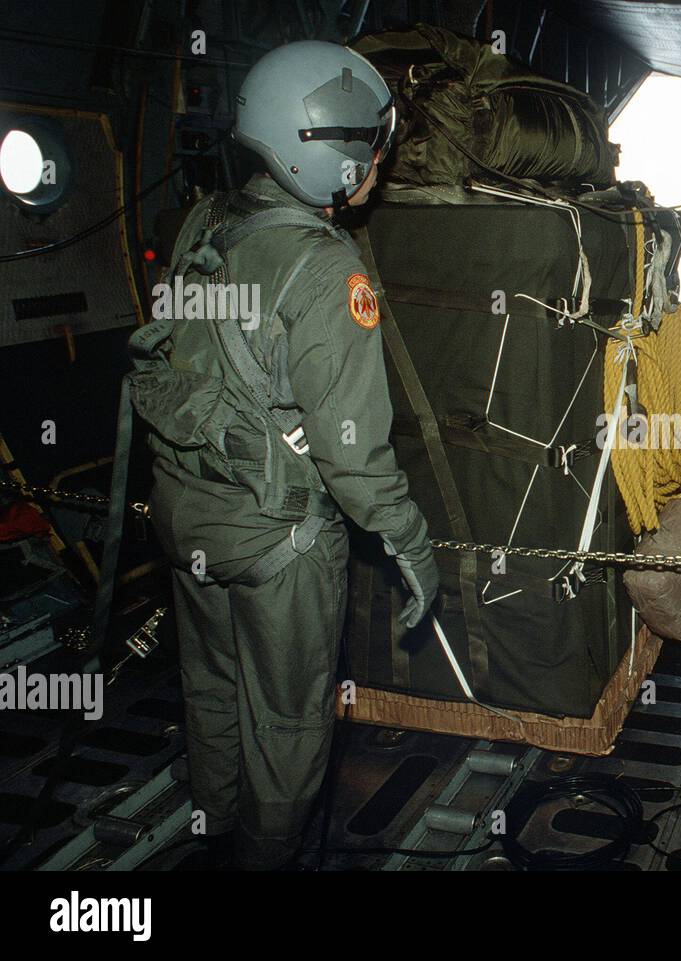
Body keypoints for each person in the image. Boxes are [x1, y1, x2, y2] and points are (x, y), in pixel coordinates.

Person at [127, 40, 439, 870]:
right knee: (290, 721)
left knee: (213, 690)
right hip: (278, 539)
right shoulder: (326, 268)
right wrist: (411, 544)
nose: (380, 160)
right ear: (330, 154)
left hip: (188, 514)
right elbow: (355, 457)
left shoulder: (206, 221)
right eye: (371, 144)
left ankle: (215, 830)